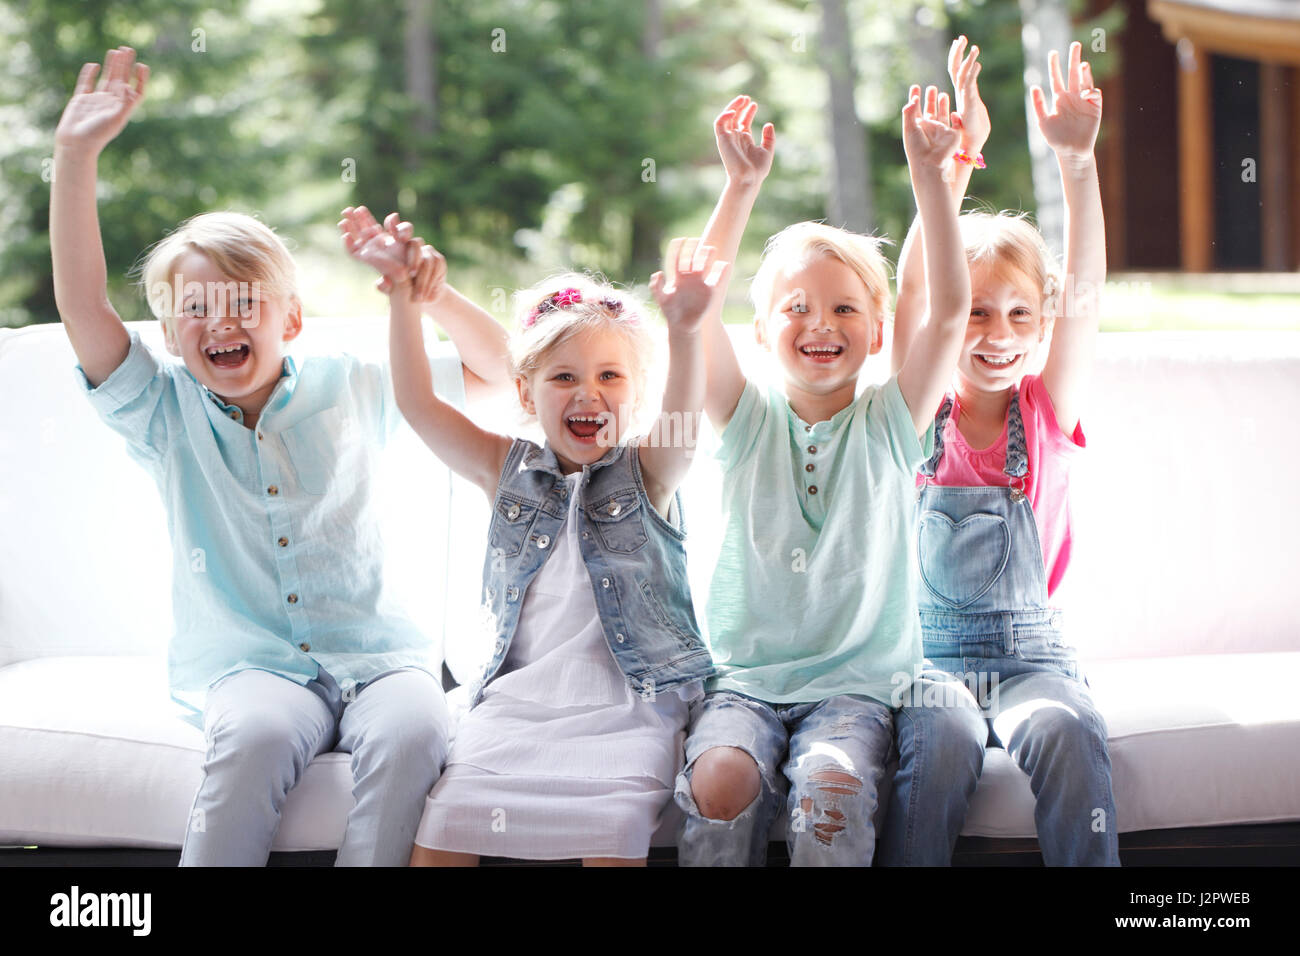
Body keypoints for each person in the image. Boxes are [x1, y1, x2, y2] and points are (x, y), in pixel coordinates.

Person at [51, 46, 507, 866]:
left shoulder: (353, 382)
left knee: (415, 732)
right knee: (256, 738)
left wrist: (431, 295)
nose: (221, 320)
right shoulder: (162, 410)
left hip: (382, 657)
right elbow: (83, 305)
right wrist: (75, 156)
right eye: (196, 307)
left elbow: (501, 370)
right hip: (250, 668)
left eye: (244, 301)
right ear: (170, 334)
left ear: (290, 320)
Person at [672, 87, 970, 866]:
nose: (821, 324)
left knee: (830, 788)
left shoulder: (891, 422)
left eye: (845, 310)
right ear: (761, 329)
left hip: (854, 692)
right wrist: (740, 187)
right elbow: (697, 309)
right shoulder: (744, 420)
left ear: (875, 333)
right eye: (797, 307)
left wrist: (930, 181)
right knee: (721, 780)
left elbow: (947, 314)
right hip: (743, 684)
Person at [371, 227, 729, 865]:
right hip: (518, 704)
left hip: (630, 707)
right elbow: (419, 404)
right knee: (446, 821)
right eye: (564, 376)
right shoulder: (504, 469)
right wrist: (404, 298)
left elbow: (682, 422)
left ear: (637, 394)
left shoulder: (649, 472)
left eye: (610, 376)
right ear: (524, 393)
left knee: (613, 828)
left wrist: (685, 330)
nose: (588, 392)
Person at [880, 39, 1119, 866]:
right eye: (976, 313)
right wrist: (951, 167)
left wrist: (1077, 163)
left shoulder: (1047, 412)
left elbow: (1085, 293)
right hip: (927, 660)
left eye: (1020, 316)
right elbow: (916, 291)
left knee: (1066, 729)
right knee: (940, 740)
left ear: (1042, 326)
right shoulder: (914, 411)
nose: (998, 335)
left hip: (1033, 661)